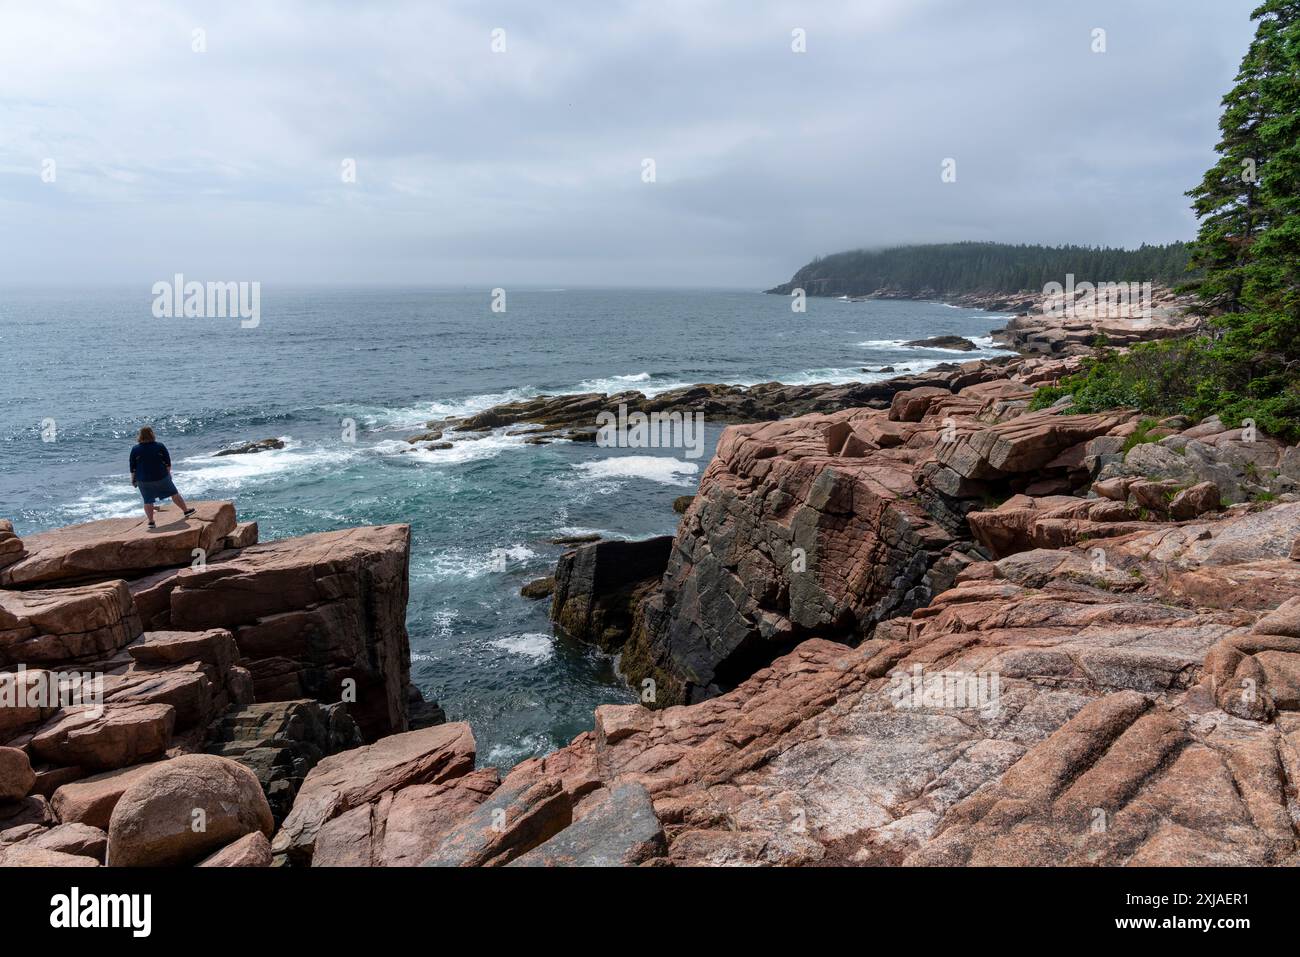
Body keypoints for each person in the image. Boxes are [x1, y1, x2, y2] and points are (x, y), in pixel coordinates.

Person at [129, 426, 196, 528]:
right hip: (161, 476)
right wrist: (168, 475)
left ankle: (151, 522)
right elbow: (167, 463)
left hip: (143, 479)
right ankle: (186, 511)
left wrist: (133, 479)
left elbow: (132, 467)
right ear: (152, 434)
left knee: (148, 501)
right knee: (174, 494)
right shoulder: (160, 446)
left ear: (140, 436)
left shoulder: (135, 449)